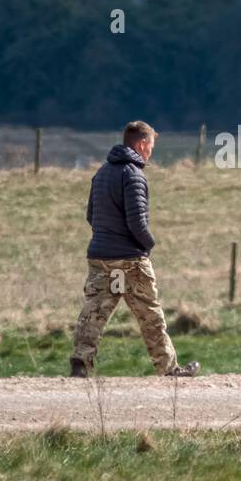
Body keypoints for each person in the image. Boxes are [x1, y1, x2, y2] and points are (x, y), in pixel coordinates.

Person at [69, 121, 199, 378]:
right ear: (141, 144)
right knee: (150, 315)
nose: (151, 151)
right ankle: (168, 367)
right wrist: (148, 245)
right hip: (130, 258)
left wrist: (106, 238)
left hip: (100, 256)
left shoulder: (102, 172)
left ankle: (80, 364)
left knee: (93, 313)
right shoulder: (134, 175)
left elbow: (91, 215)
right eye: (151, 146)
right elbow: (137, 222)